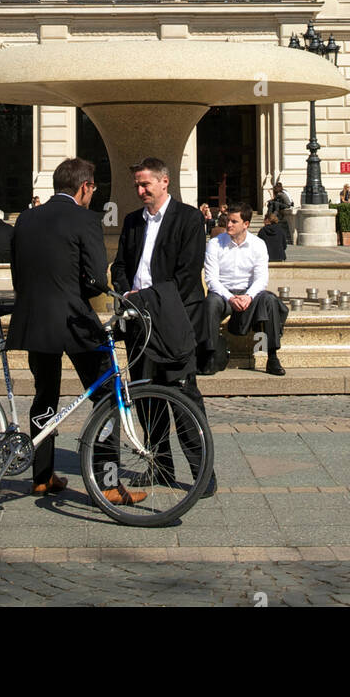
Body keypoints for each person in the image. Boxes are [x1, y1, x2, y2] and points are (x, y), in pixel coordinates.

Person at [8, 157, 126, 499]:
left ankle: (41, 477)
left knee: (45, 395)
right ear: (84, 187)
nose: (92, 195)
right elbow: (94, 281)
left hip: (34, 320)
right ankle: (109, 483)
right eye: (93, 189)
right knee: (106, 395)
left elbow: (18, 276)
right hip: (74, 321)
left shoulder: (26, 218)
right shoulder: (86, 219)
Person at [111, 156, 214, 496]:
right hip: (138, 324)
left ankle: (203, 474)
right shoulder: (131, 221)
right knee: (146, 400)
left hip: (173, 323)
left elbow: (187, 277)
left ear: (164, 182)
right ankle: (161, 467)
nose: (140, 191)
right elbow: (121, 265)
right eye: (138, 185)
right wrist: (128, 296)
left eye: (146, 184)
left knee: (183, 399)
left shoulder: (188, 219)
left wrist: (149, 300)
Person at [202, 205, 289, 376]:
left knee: (270, 301)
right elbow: (211, 279)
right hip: (223, 294)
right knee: (210, 303)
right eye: (228, 220)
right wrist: (231, 298)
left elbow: (261, 278)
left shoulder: (258, 245)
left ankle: (272, 356)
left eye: (234, 221)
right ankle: (210, 355)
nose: (229, 225)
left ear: (246, 224)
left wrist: (248, 296)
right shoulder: (214, 244)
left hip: (249, 294)